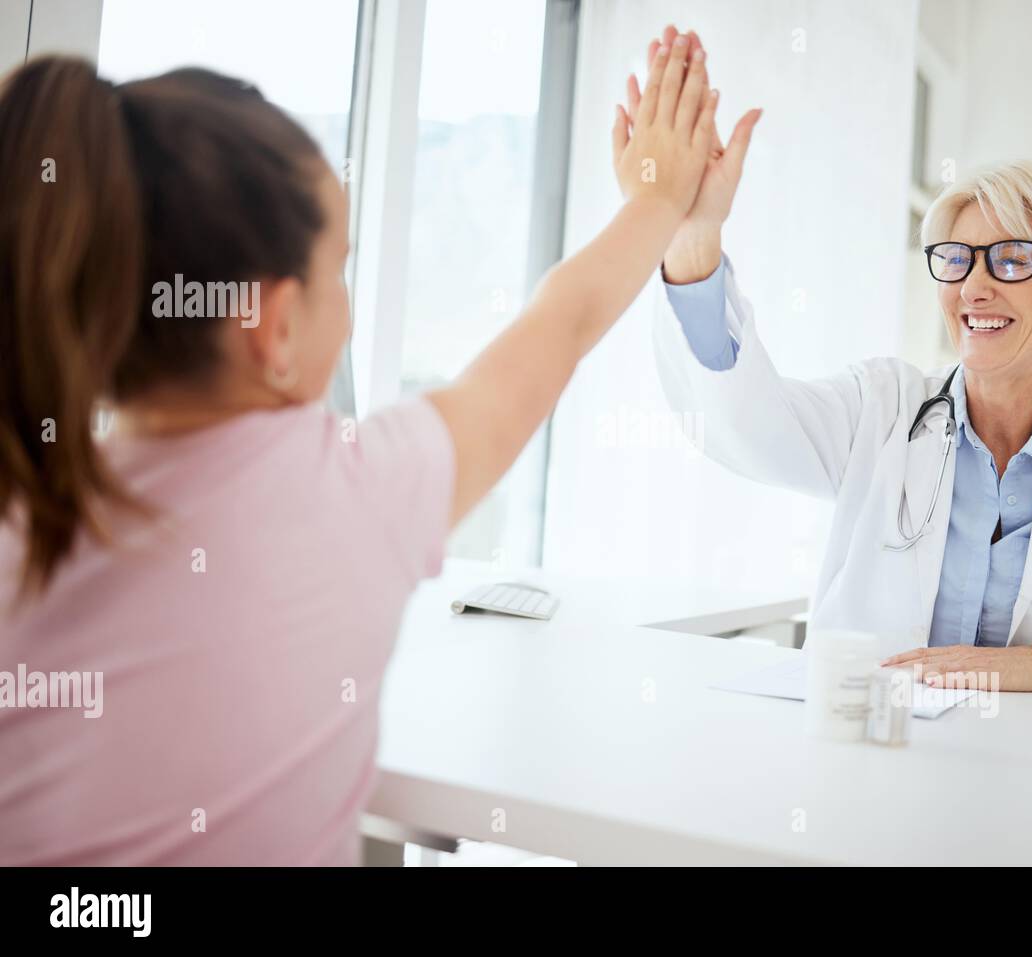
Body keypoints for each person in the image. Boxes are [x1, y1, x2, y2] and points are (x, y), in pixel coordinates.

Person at [0, 36, 715, 864]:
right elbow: (564, 321)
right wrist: (658, 198)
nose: (346, 304)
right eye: (339, 270)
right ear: (273, 330)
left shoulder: (22, 511)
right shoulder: (356, 493)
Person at [637, 26, 1032, 703]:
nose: (973, 287)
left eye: (1012, 259)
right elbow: (746, 426)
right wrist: (693, 237)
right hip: (879, 757)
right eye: (957, 259)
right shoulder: (881, 408)